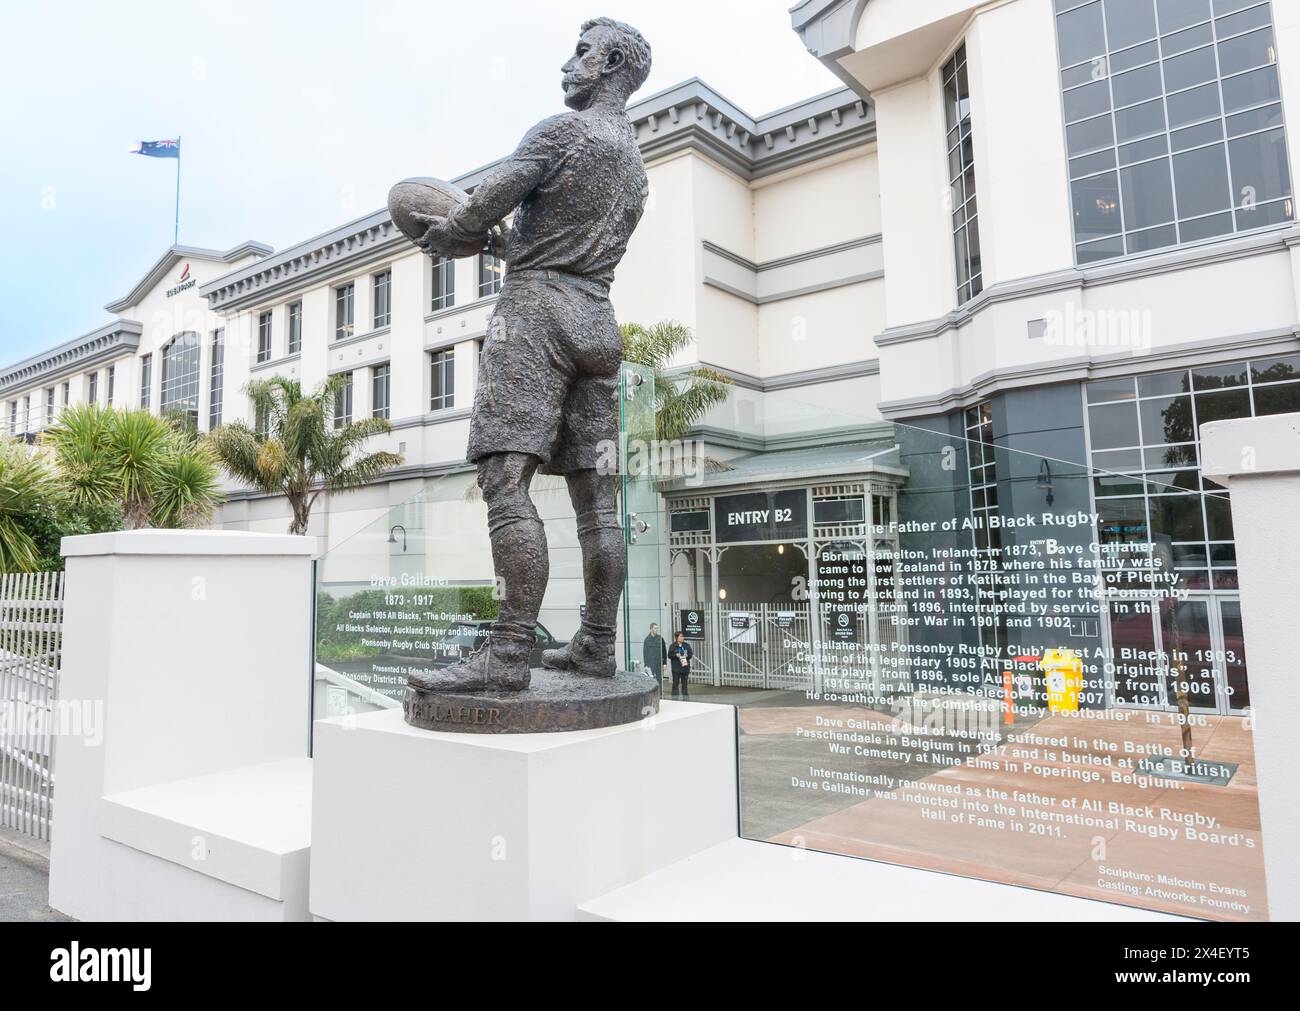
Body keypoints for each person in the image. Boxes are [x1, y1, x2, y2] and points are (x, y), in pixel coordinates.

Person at [404, 18, 653, 692]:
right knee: (598, 505)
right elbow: (556, 244)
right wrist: (494, 244)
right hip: (597, 324)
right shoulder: (633, 167)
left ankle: (509, 652)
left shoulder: (561, 131)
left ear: (612, 62)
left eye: (581, 54)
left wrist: (452, 232)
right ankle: (597, 645)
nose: (568, 66)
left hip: (536, 316)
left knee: (505, 480)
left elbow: (491, 197)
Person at [668, 631, 694, 699]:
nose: (683, 638)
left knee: (685, 685)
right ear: (677, 637)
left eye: (683, 636)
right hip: (676, 669)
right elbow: (669, 655)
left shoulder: (686, 645)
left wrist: (687, 655)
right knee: (675, 685)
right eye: (681, 636)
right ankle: (674, 700)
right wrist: (675, 655)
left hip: (685, 668)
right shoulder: (673, 646)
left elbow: (691, 654)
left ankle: (686, 700)